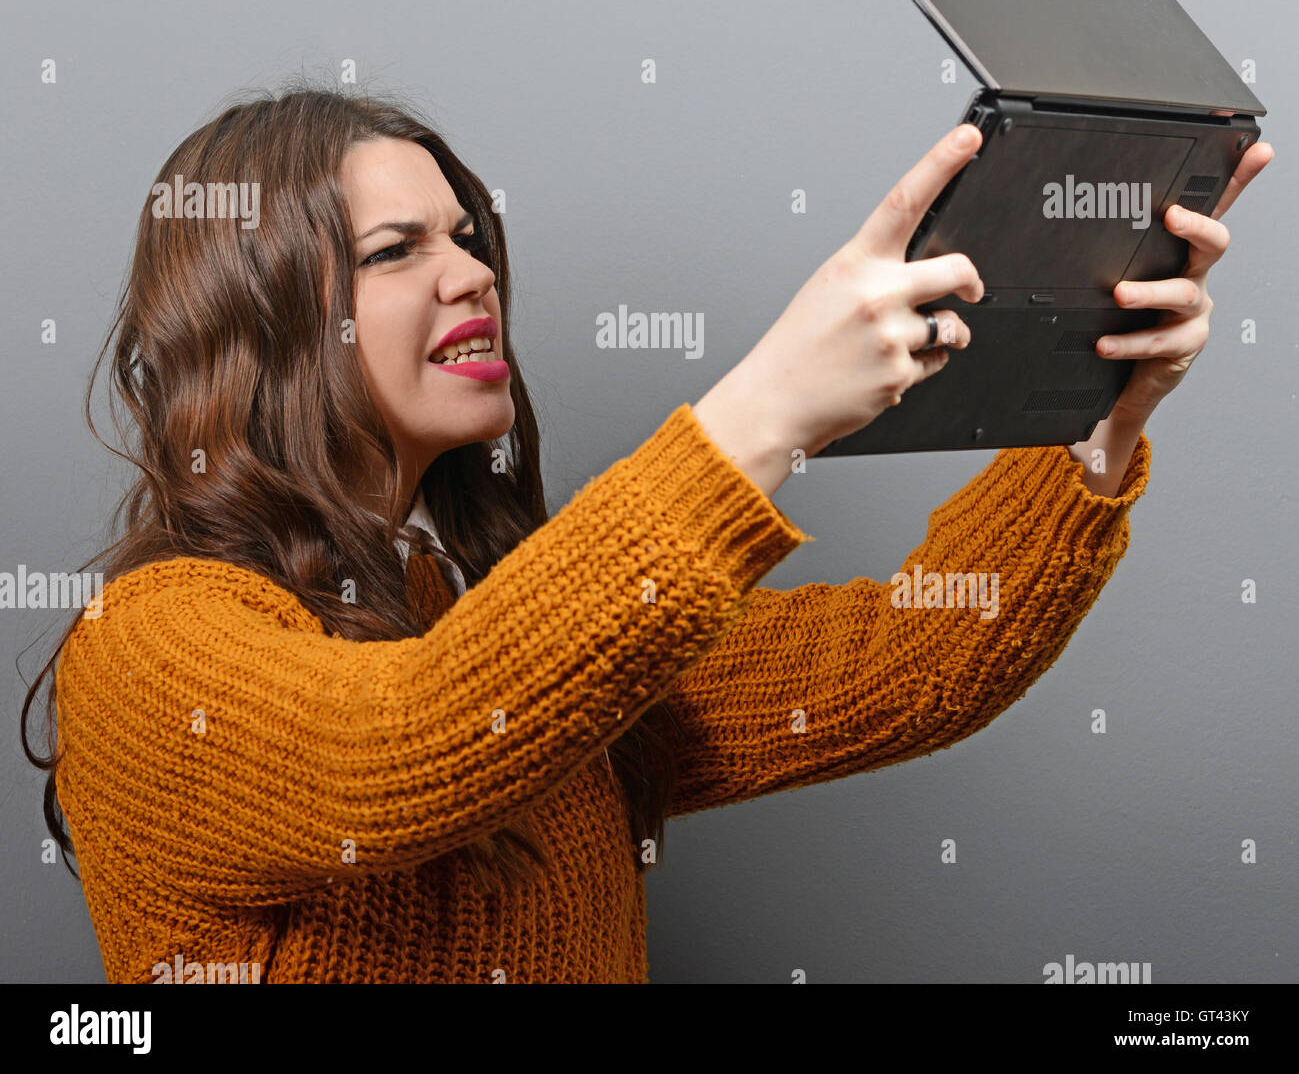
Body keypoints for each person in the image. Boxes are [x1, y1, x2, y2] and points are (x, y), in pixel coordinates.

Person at [21, 83, 1271, 984]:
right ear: (261, 324)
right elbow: (399, 742)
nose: (470, 274)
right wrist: (764, 410)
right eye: (397, 250)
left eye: (468, 235)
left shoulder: (497, 623)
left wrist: (1090, 417)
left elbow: (915, 656)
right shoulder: (152, 643)